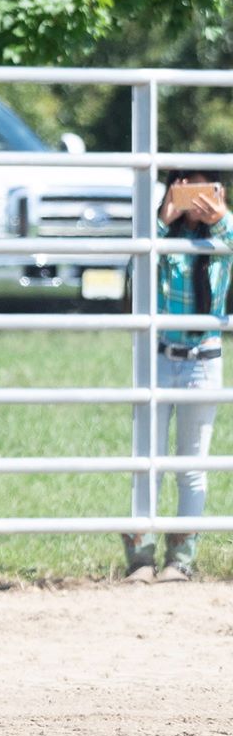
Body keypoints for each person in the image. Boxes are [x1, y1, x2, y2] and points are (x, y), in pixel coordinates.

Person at [121, 169, 232, 583]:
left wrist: (220, 218)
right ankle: (141, 558)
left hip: (202, 357)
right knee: (146, 461)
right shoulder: (159, 234)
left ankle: (179, 560)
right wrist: (161, 220)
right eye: (185, 186)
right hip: (158, 356)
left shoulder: (224, 234)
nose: (194, 197)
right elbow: (133, 262)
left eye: (204, 187)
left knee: (191, 463)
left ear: (218, 191)